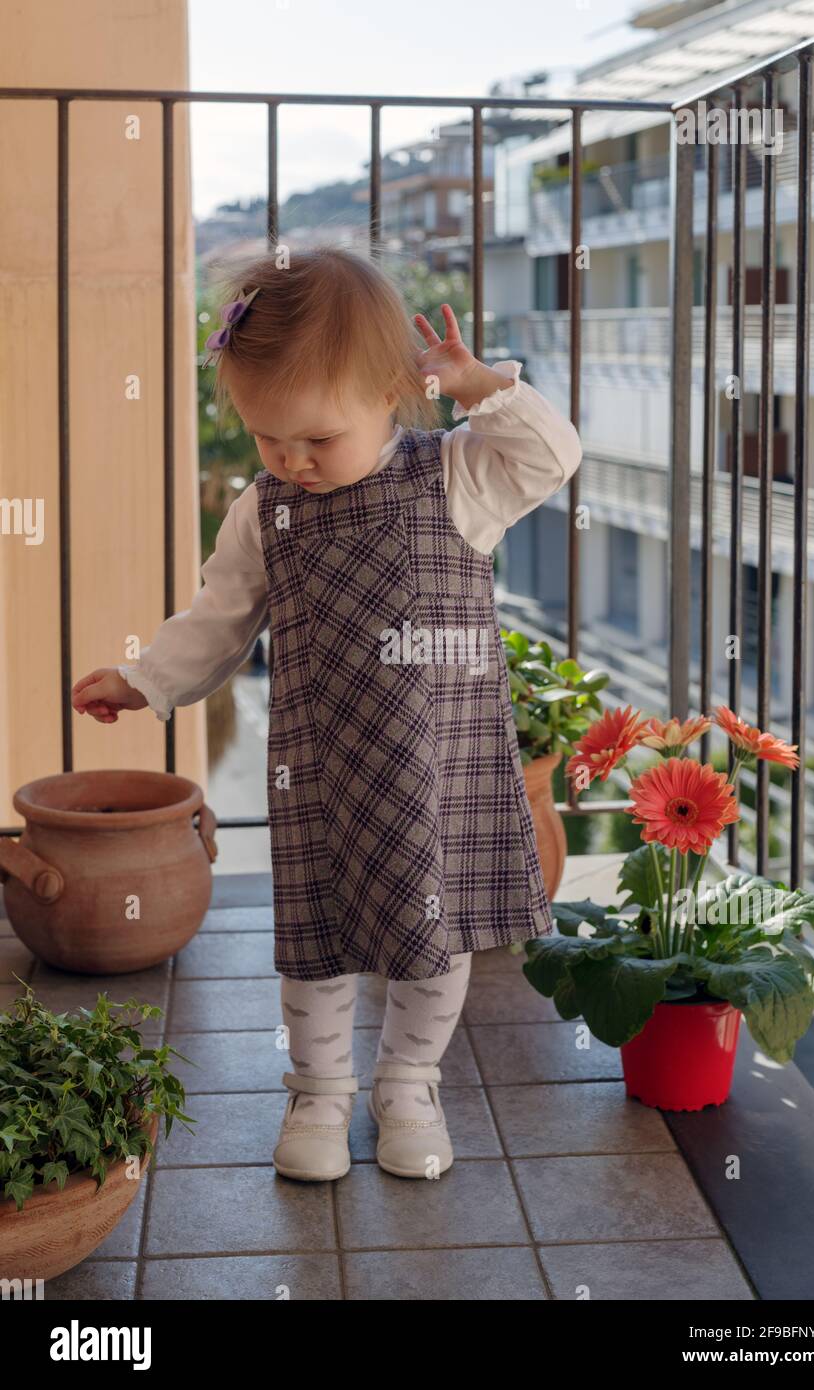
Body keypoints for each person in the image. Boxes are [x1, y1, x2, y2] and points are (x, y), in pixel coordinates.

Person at [71, 246, 582, 1183]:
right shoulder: (263, 513)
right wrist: (144, 680)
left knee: (436, 937)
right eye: (269, 440)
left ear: (392, 391)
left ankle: (409, 1082)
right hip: (324, 765)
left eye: (315, 438)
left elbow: (555, 455)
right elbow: (219, 618)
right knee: (318, 936)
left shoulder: (458, 479)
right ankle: (317, 1092)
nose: (292, 462)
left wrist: (482, 389)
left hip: (440, 762)